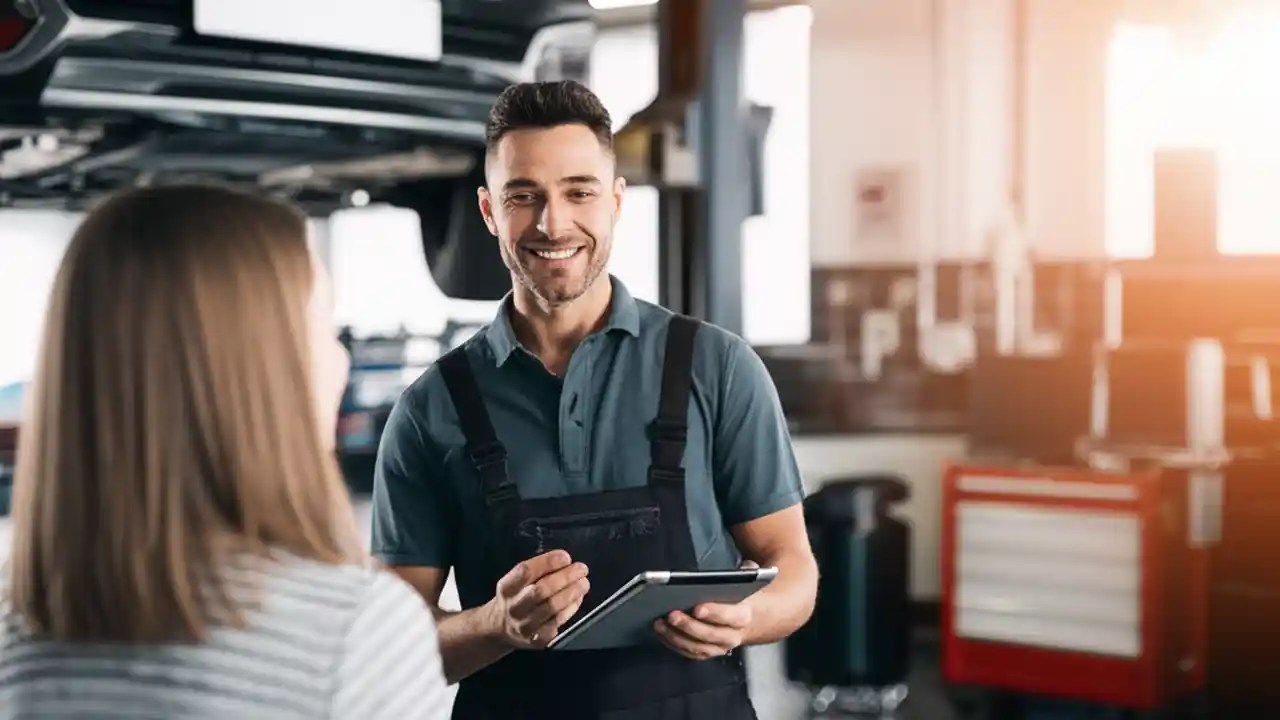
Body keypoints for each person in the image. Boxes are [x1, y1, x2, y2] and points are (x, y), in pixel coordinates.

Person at [372, 80, 819, 718]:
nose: (553, 223)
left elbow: (793, 570)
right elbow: (394, 649)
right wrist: (497, 625)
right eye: (523, 196)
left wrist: (745, 618)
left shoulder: (717, 368)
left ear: (614, 201)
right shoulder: (428, 410)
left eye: (578, 192)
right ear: (489, 212)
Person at [0, 185, 450, 719]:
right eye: (321, 331)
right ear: (256, 374)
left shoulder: (19, 630)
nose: (340, 362)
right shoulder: (355, 631)